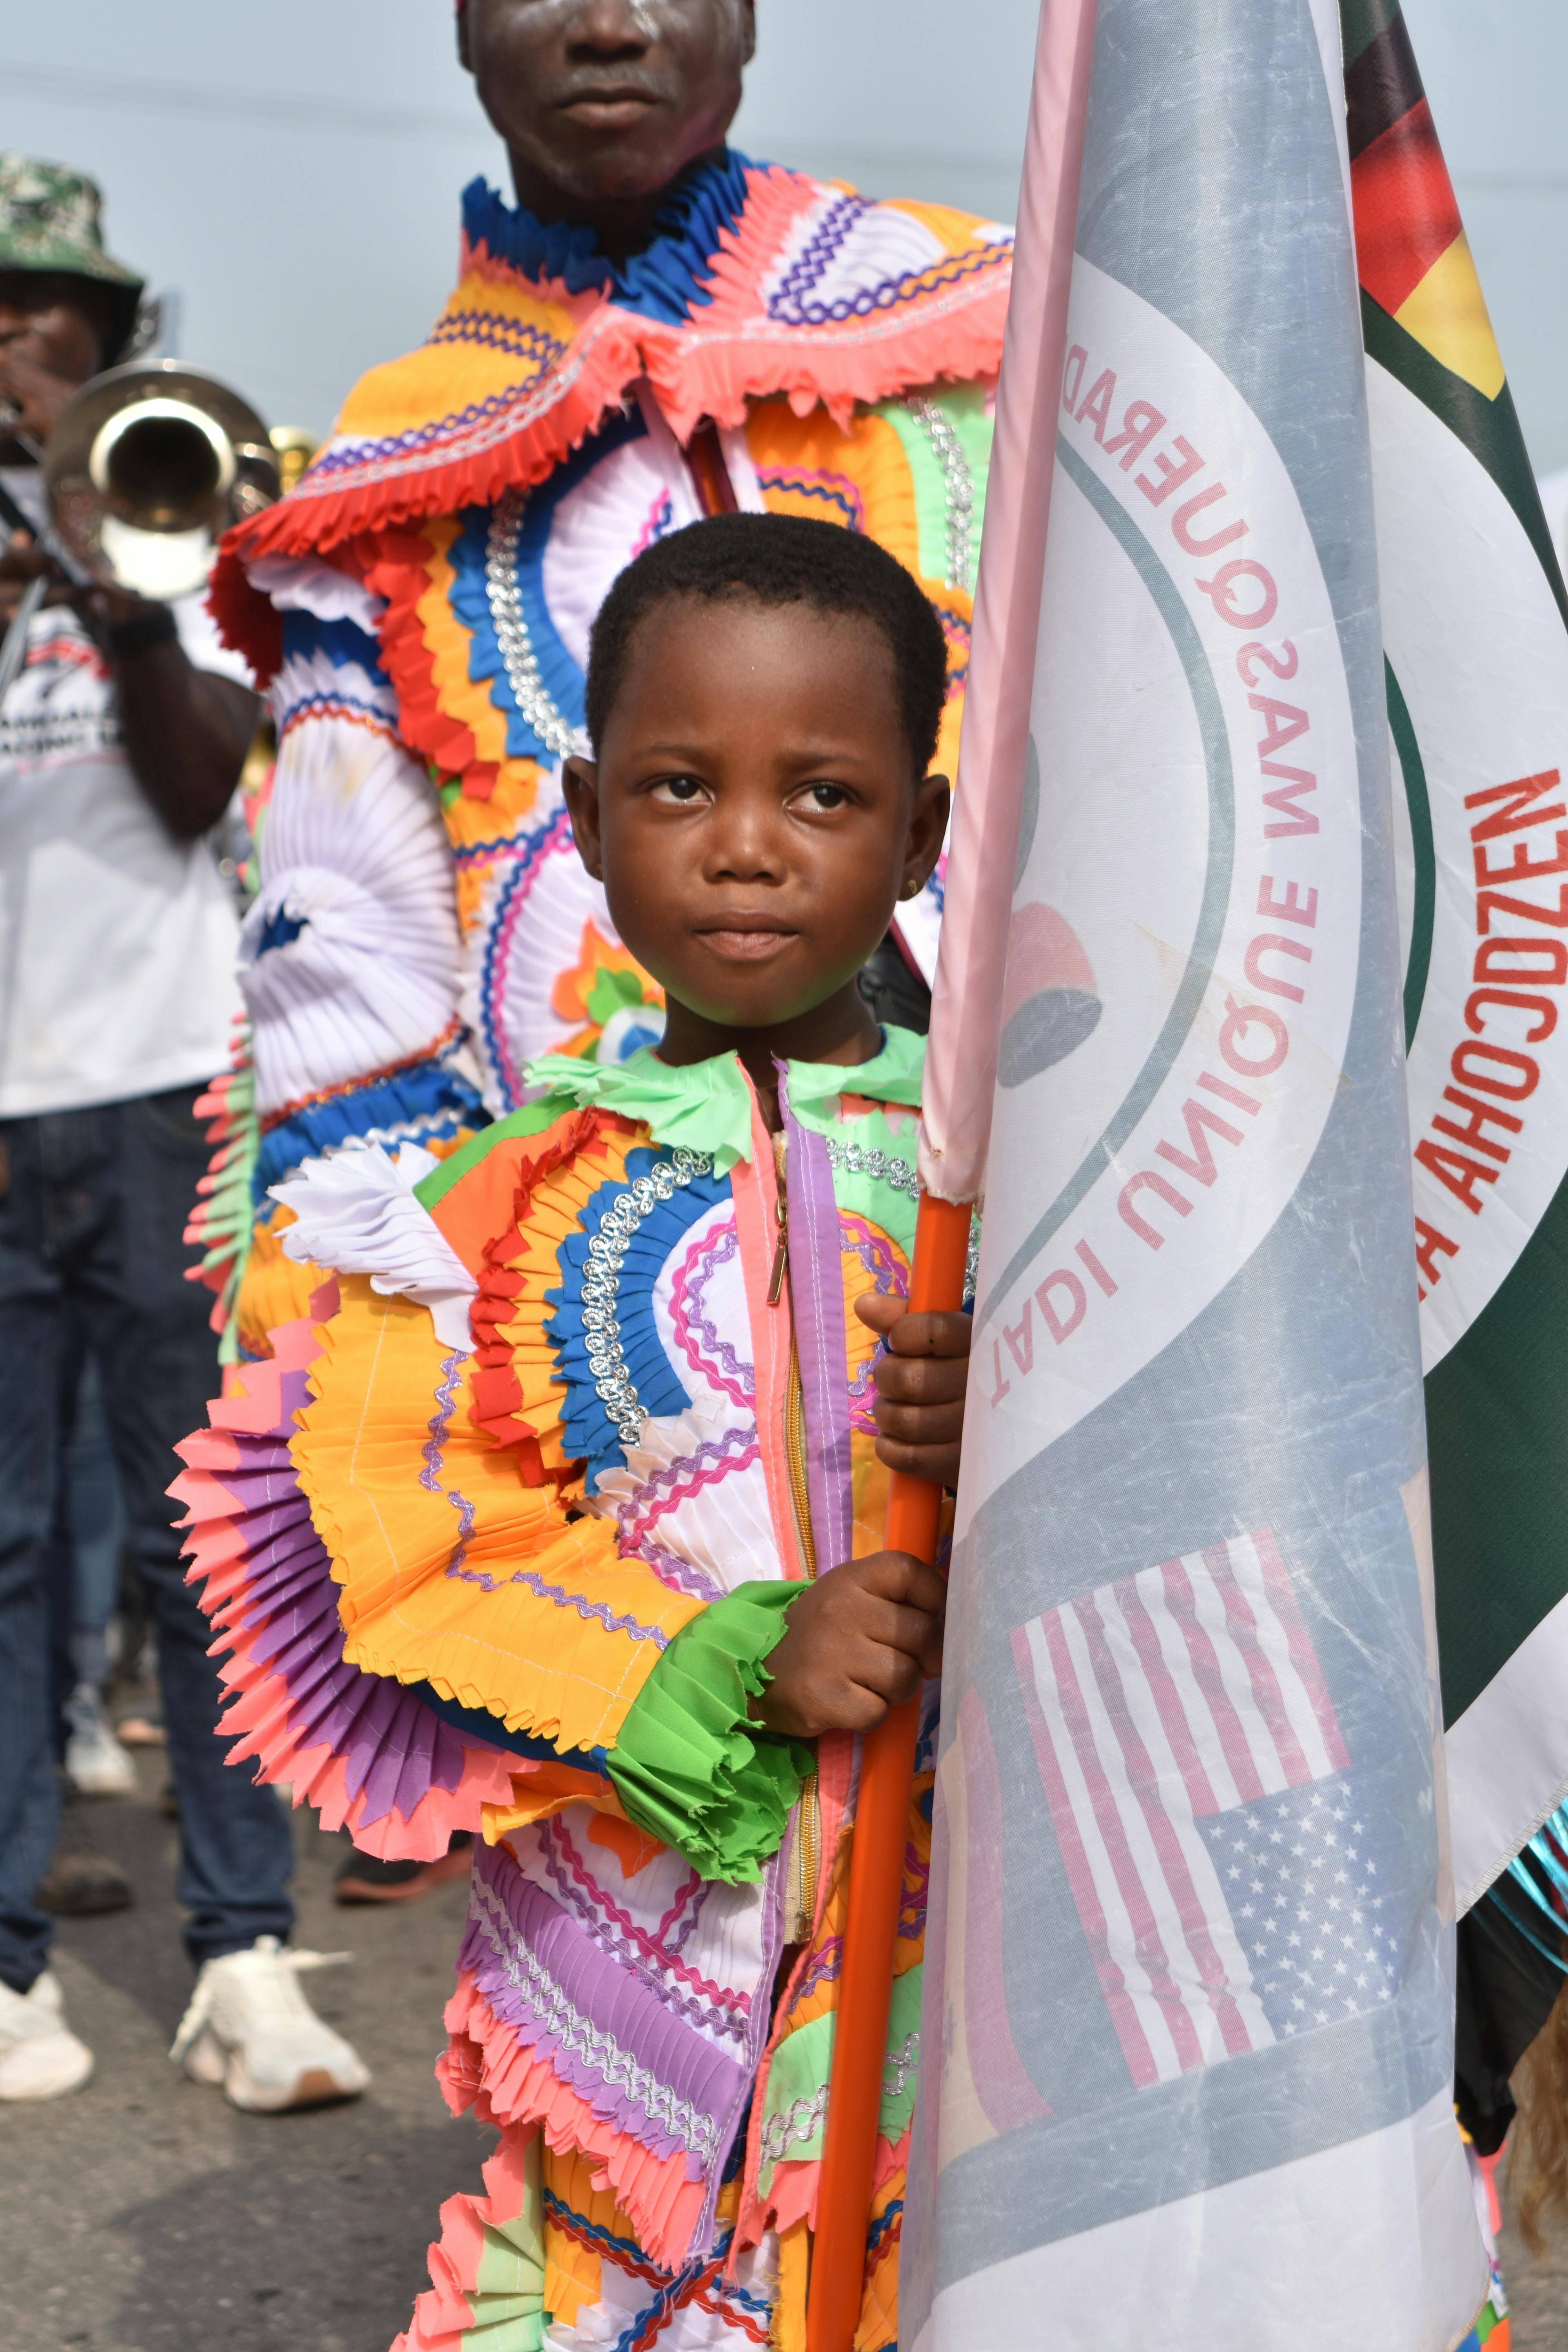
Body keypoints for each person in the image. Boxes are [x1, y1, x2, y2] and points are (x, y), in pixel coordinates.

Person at [178, 512, 971, 2348]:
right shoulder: (474, 1215)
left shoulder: (1014, 1172)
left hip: (977, 1942)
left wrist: (1018, 1409)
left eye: (828, 796)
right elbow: (425, 1546)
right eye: (683, 786)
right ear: (588, 810)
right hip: (653, 1935)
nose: (750, 846)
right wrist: (733, 1664)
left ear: (923, 836)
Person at [0, 153, 367, 2110]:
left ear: (108, 341)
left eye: (41, 306)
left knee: (194, 1544)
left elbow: (198, 787)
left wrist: (91, 580)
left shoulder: (182, 529)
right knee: (1, 1549)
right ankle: (3, 1972)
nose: (7, 332)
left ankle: (241, 1954)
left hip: (162, 1106)